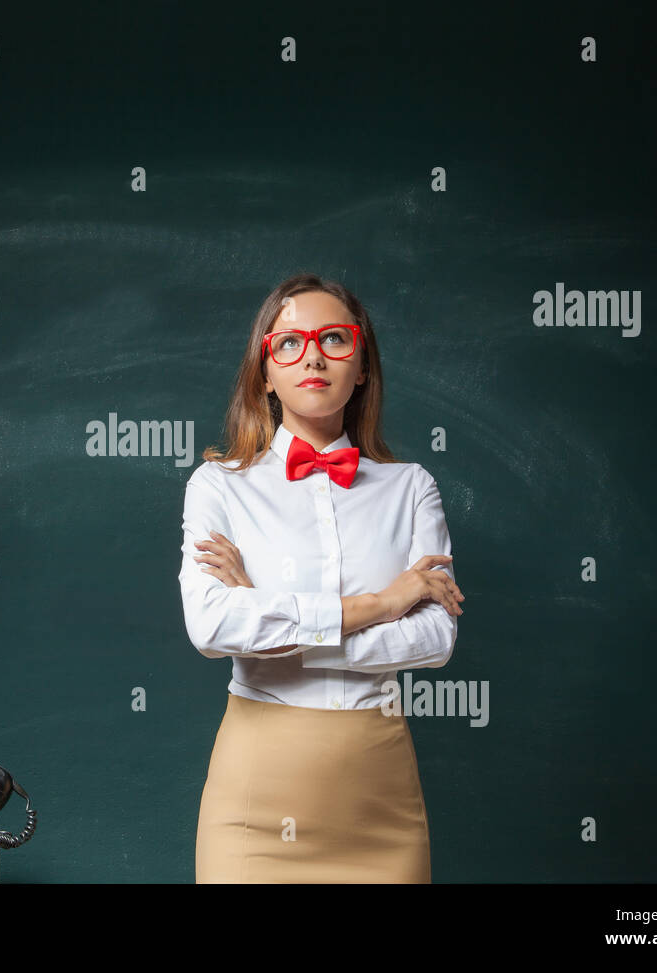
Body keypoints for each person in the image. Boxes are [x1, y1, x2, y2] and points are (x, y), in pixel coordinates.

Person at [180, 272, 464, 883]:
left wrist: (270, 613)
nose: (312, 354)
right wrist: (386, 602)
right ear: (266, 373)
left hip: (380, 797)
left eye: (334, 338)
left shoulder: (412, 488)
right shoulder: (218, 486)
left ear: (361, 365)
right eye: (288, 343)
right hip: (255, 796)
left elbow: (436, 639)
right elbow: (211, 627)